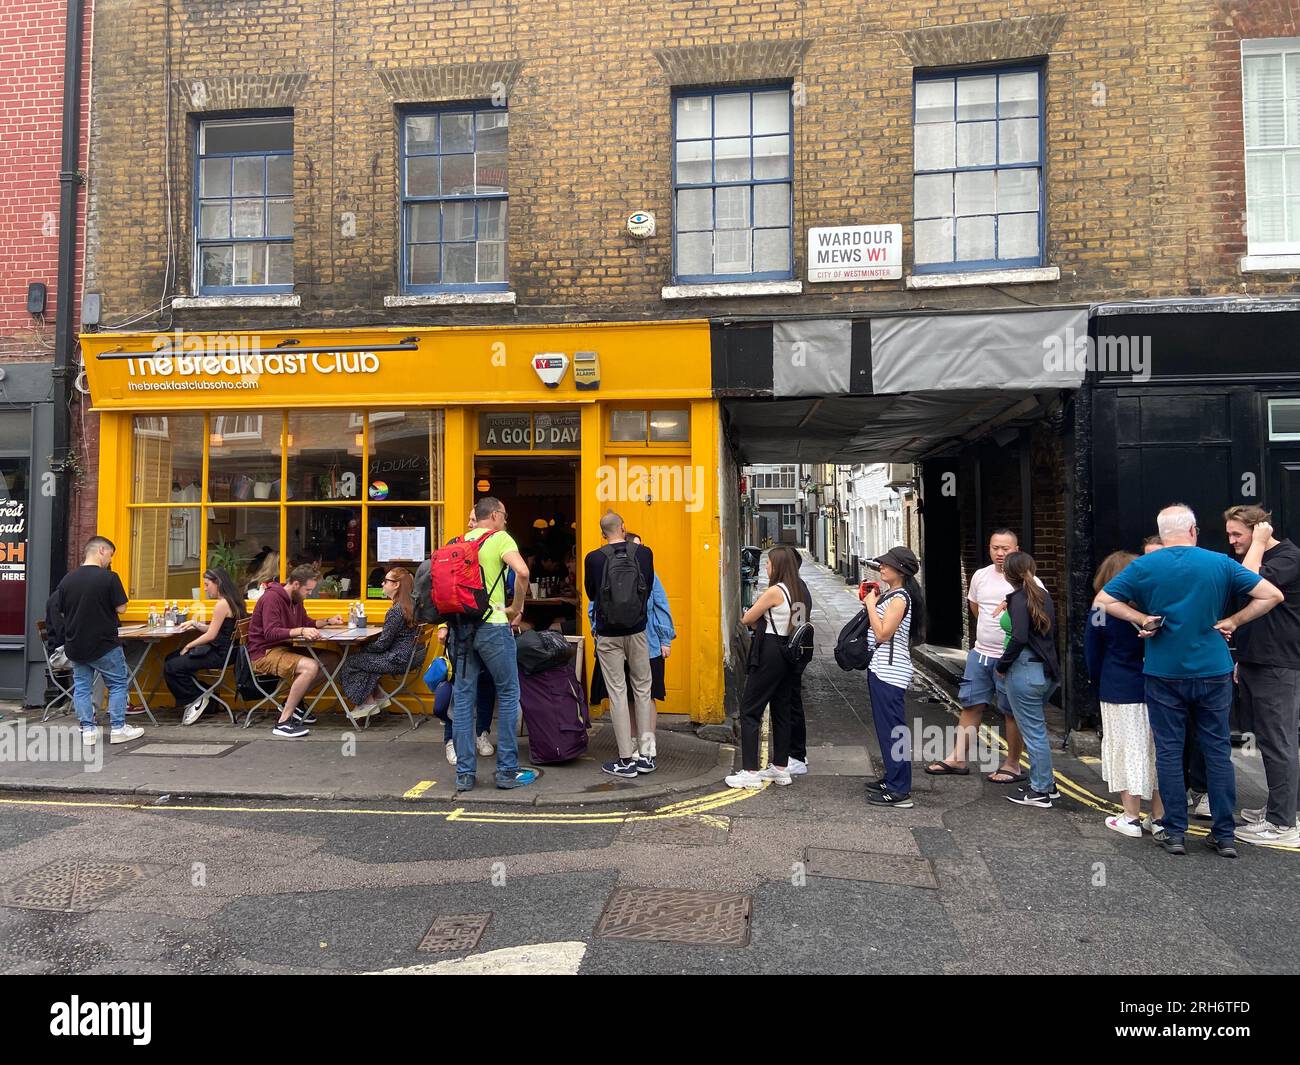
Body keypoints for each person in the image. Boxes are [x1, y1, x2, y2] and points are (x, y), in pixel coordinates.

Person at [1094, 503, 1283, 857]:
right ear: (1193, 531)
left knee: (1169, 750)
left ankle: (1175, 831)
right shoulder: (1220, 563)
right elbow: (1272, 595)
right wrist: (1234, 622)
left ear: (1163, 534)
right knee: (1217, 750)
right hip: (1213, 670)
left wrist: (1143, 618)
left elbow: (1103, 600)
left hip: (1164, 671)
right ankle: (1224, 835)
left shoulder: (1146, 565)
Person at [926, 529, 1032, 782]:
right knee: (970, 704)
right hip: (980, 654)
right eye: (995, 547)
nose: (999, 553)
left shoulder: (1029, 580)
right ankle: (957, 758)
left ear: (1016, 549)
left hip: (1011, 659)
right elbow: (976, 608)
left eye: (1005, 548)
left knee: (1010, 712)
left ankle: (1012, 764)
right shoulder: (980, 576)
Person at [448, 496, 537, 791]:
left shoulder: (457, 540)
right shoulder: (500, 538)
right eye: (506, 515)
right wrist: (516, 607)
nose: (507, 520)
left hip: (461, 629)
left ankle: (464, 774)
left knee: (463, 699)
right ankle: (507, 770)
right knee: (509, 693)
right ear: (496, 515)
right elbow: (522, 572)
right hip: (494, 626)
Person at [1224, 505, 1300, 848]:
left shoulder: (1288, 557)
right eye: (1230, 534)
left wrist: (1258, 543)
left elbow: (1251, 585)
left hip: (1278, 664)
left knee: (1279, 742)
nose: (1232, 540)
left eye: (1237, 534)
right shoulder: (1263, 556)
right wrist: (1243, 658)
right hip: (1258, 660)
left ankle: (1284, 823)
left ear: (1259, 530)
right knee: (1270, 740)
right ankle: (1281, 809)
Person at [1085, 552, 1164, 834]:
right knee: (1157, 751)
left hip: (1118, 688)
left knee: (1127, 748)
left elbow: (1092, 654)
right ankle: (1159, 819)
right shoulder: (1153, 611)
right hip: (1156, 686)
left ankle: (1130, 817)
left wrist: (1096, 680)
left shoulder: (1099, 613)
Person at [726, 545, 808, 789]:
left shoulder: (774, 591)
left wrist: (757, 614)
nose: (766, 566)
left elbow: (747, 618)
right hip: (788, 652)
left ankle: (750, 772)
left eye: (770, 563)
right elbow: (799, 625)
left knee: (751, 709)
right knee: (781, 710)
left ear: (779, 566)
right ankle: (781, 769)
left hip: (770, 649)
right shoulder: (799, 591)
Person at [584, 511, 657, 779]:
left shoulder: (593, 558)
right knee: (643, 690)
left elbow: (592, 593)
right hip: (637, 630)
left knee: (617, 693)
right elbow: (647, 587)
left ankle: (626, 760)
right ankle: (647, 756)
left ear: (603, 533)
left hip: (608, 633)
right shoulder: (644, 553)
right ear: (624, 528)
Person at [54, 535, 143, 746]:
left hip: (76, 643)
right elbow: (121, 608)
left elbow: (61, 610)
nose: (110, 561)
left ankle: (87, 730)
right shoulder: (109, 578)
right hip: (104, 643)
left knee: (82, 687)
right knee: (118, 684)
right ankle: (119, 728)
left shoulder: (67, 580)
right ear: (101, 550)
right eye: (110, 555)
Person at [588, 531, 676, 734]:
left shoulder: (640, 573)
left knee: (644, 695)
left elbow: (661, 605)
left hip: (647, 644)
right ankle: (637, 743)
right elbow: (595, 607)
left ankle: (644, 742)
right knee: (629, 695)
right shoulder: (613, 572)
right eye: (638, 547)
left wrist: (665, 640)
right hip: (637, 643)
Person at [246, 564, 344, 739]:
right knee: (310, 667)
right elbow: (270, 633)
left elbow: (306, 622)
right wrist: (300, 631)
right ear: (296, 584)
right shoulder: (272, 598)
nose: (309, 594)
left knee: (332, 659)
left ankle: (293, 704)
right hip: (264, 653)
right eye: (308, 590)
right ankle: (283, 722)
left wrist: (328, 620)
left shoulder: (296, 600)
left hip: (283, 648)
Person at [995, 552, 1061, 808]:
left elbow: (1019, 637)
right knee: (1036, 730)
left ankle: (1041, 790)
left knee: (1034, 733)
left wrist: (1002, 664)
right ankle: (1047, 784)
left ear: (1008, 574)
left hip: (1024, 671)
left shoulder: (1019, 599)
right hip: (1045, 672)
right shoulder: (1043, 596)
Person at [862, 547, 924, 809]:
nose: (881, 567)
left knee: (893, 732)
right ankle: (892, 779)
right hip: (883, 670)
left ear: (900, 570)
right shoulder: (895, 594)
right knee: (887, 730)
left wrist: (870, 606)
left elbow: (883, 634)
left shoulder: (899, 598)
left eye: (886, 565)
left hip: (890, 673)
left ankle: (899, 792)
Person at [164, 568, 246, 725]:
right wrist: (195, 624)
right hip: (229, 652)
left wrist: (188, 645)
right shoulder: (234, 601)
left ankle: (197, 697)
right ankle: (206, 695)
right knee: (172, 658)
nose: (205, 588)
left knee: (171, 666)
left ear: (218, 583)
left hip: (219, 654)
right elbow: (218, 630)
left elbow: (211, 635)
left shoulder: (221, 605)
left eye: (207, 584)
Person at [337, 568, 419, 718]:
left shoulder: (395, 611)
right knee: (362, 659)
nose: (382, 584)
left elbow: (382, 644)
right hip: (408, 658)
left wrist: (363, 646)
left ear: (396, 585)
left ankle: (367, 703)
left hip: (396, 660)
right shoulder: (410, 606)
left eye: (386, 581)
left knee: (351, 661)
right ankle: (378, 696)